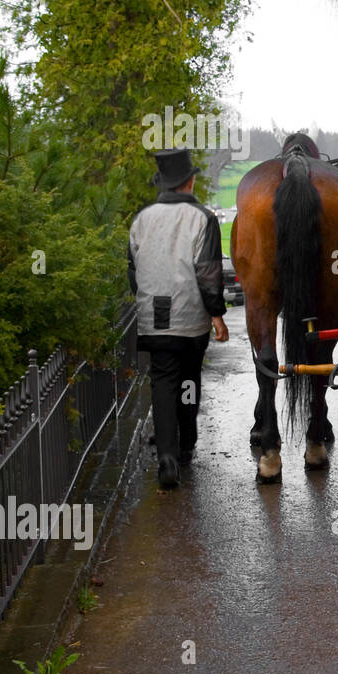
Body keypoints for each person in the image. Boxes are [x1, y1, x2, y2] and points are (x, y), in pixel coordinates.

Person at [128, 148, 229, 489]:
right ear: (189, 180)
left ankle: (167, 456)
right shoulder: (203, 218)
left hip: (152, 316)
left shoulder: (141, 218)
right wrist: (217, 315)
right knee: (188, 380)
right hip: (191, 316)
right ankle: (186, 445)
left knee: (162, 380)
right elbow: (208, 273)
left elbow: (133, 270)